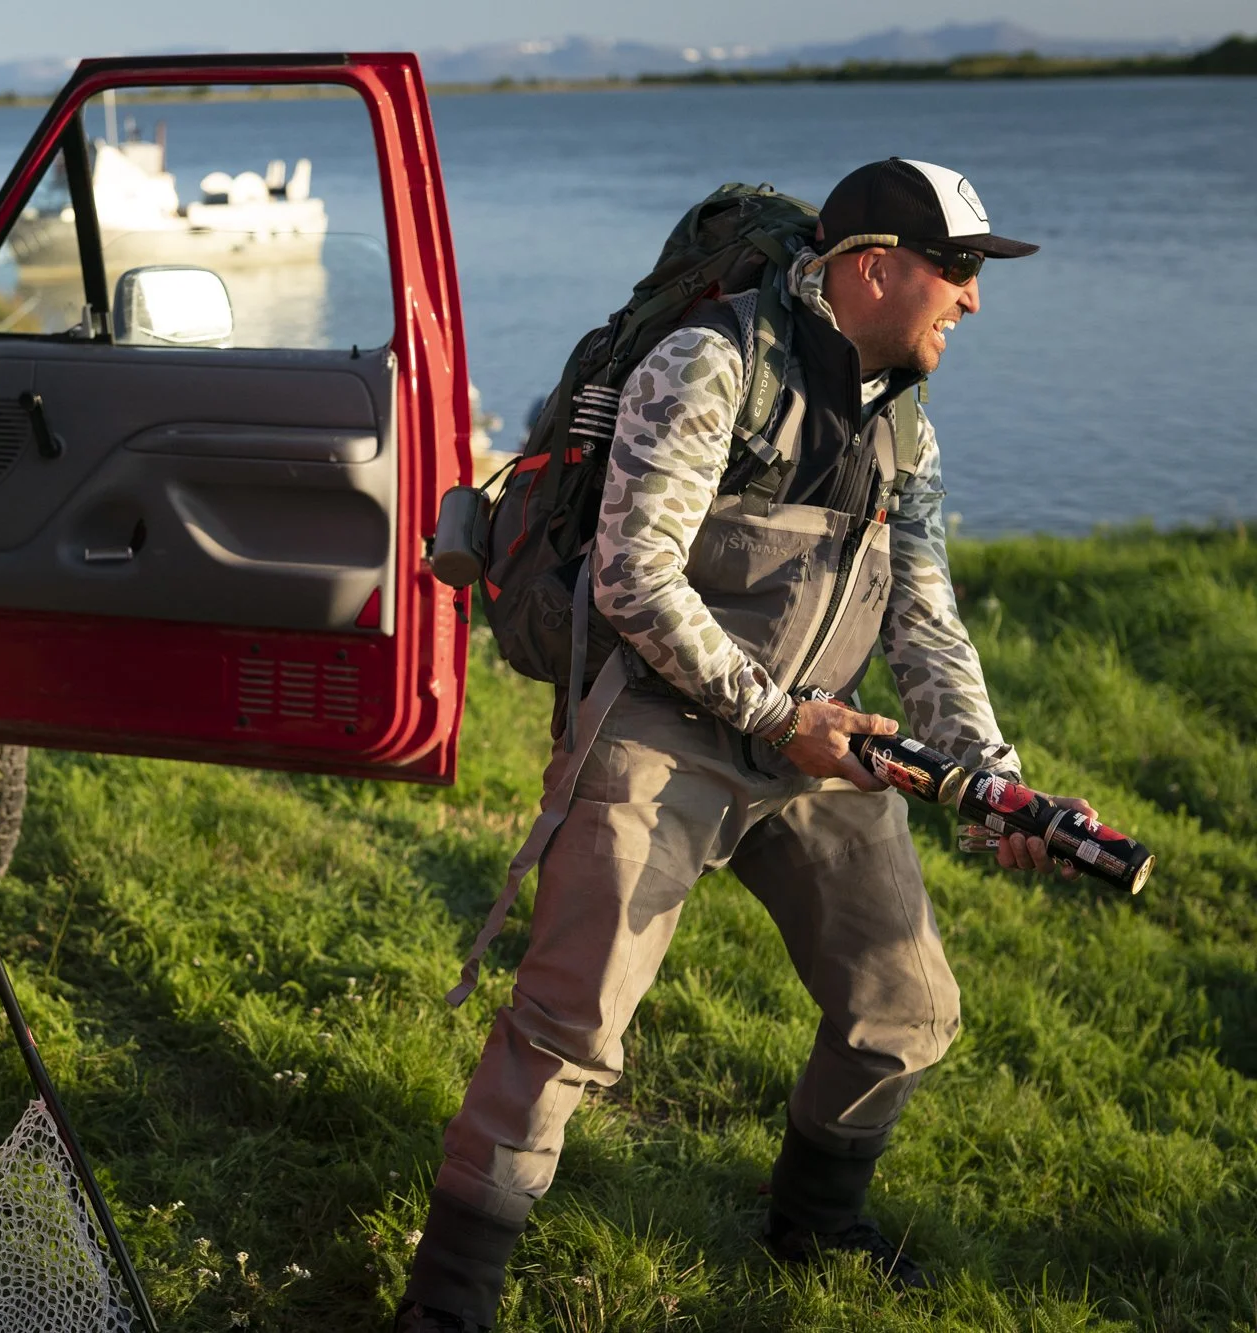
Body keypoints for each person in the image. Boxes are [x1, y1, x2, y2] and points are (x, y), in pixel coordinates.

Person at [397, 158, 1096, 1331]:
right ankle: (446, 1300)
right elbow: (631, 577)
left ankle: (814, 1227)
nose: (972, 299)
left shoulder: (904, 425)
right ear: (874, 268)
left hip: (818, 741)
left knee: (906, 1007)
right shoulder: (708, 363)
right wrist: (778, 716)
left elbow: (922, 616)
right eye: (956, 270)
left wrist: (994, 784)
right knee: (567, 1028)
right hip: (659, 724)